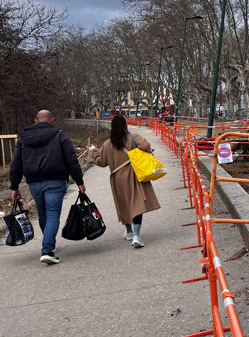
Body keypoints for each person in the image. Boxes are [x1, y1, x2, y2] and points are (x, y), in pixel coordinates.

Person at [9, 110, 86, 265]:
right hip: (55, 181)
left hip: (33, 182)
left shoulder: (23, 138)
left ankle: (48, 243)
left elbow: (16, 164)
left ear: (36, 120)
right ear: (51, 120)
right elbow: (71, 160)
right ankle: (47, 250)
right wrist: (79, 181)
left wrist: (14, 186)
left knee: (43, 212)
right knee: (52, 214)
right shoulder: (59, 135)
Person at [91, 114, 160, 248]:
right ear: (125, 125)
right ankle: (136, 235)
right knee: (137, 205)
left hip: (117, 178)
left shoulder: (107, 144)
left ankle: (128, 231)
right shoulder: (133, 137)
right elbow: (146, 145)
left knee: (123, 205)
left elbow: (102, 162)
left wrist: (94, 152)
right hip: (133, 175)